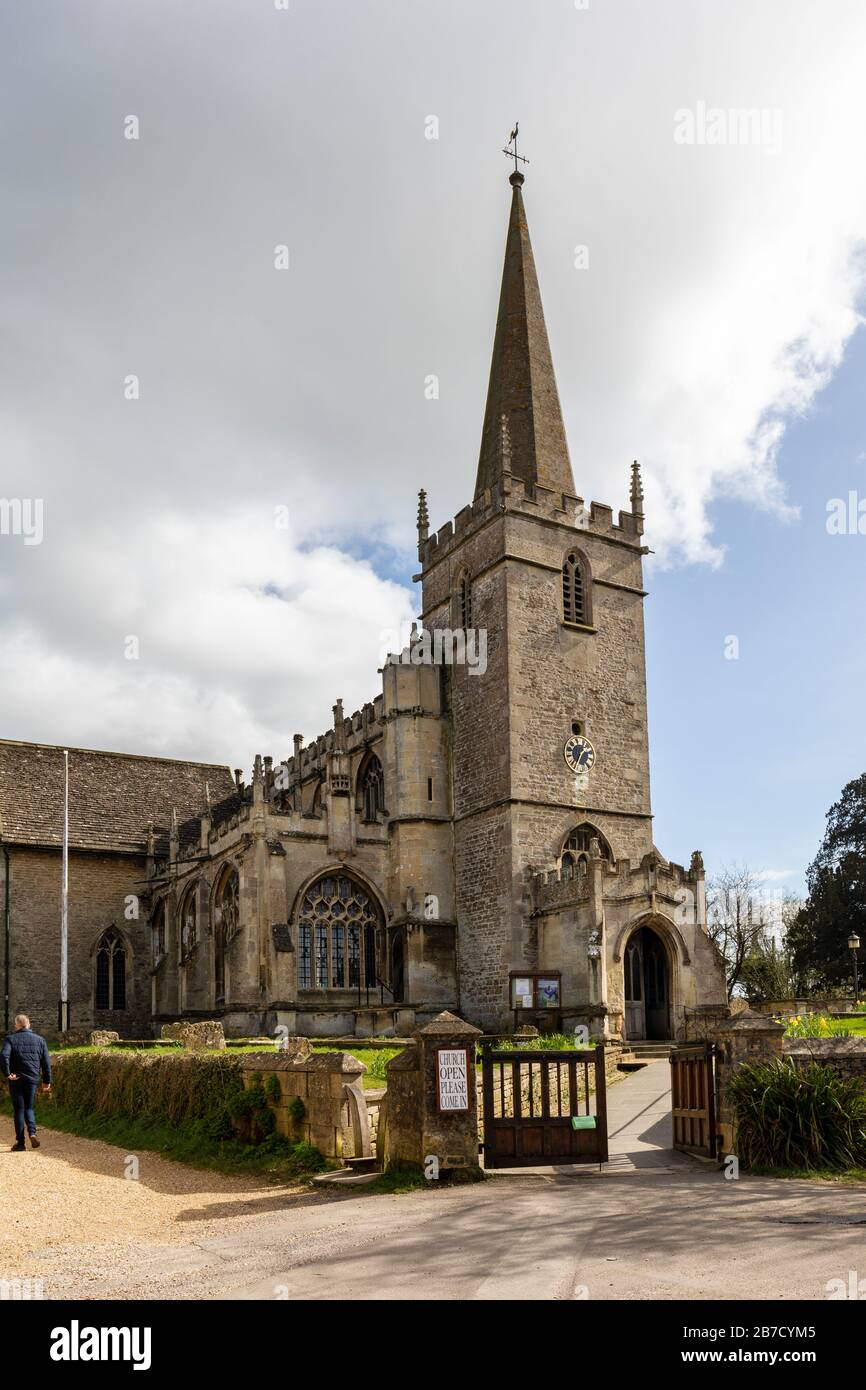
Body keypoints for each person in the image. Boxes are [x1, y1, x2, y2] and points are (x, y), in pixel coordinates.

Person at [1, 1014, 52, 1151]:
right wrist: (47, 1081)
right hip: (32, 1079)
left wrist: (8, 1073)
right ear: (29, 1025)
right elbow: (46, 1063)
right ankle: (33, 1133)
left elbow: (4, 1056)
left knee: (19, 1110)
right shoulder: (40, 1040)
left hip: (16, 1079)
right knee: (29, 1108)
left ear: (16, 1025)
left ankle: (21, 1143)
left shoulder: (10, 1039)